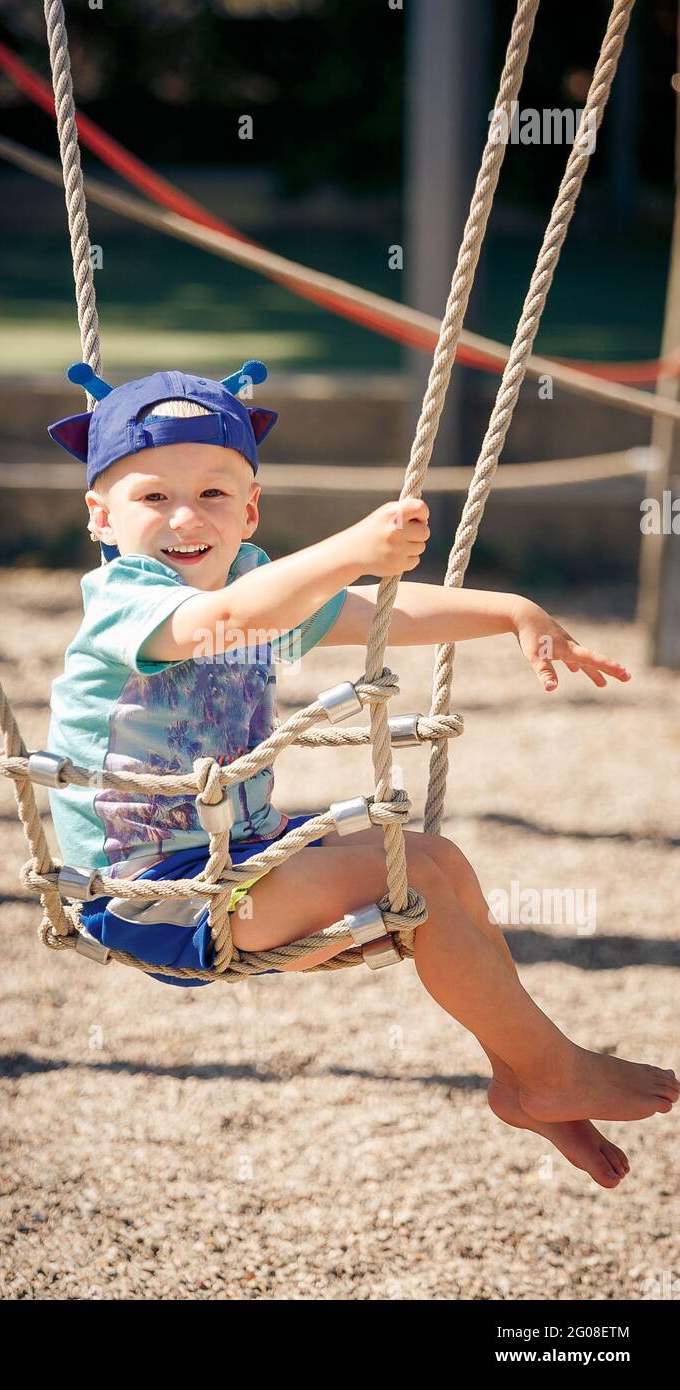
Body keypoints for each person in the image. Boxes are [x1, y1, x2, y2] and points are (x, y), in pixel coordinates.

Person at [46, 359, 677, 1188]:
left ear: (250, 510)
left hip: (235, 869)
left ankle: (525, 1076)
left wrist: (510, 613)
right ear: (101, 514)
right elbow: (230, 620)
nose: (184, 517)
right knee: (407, 869)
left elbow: (380, 613)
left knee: (439, 864)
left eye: (212, 495)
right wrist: (352, 549)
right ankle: (550, 1066)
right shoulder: (130, 600)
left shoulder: (251, 584)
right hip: (153, 898)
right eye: (153, 496)